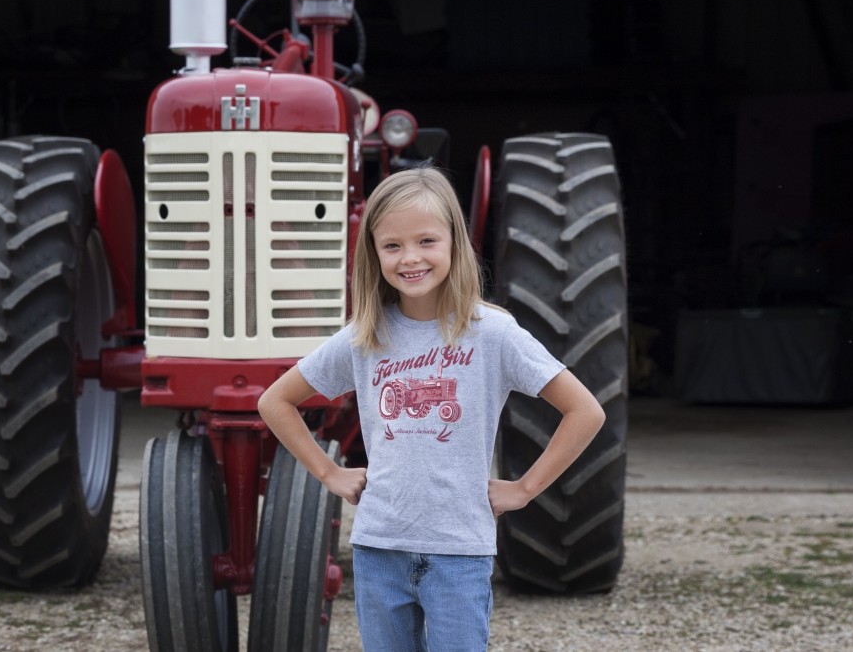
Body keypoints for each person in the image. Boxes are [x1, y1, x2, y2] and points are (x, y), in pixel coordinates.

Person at [257, 164, 606, 652]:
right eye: (392, 245)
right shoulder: (364, 337)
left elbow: (586, 411)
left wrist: (526, 488)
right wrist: (329, 473)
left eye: (426, 241)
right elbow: (275, 401)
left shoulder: (493, 333)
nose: (410, 258)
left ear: (454, 243)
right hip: (379, 549)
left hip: (459, 552)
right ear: (373, 253)